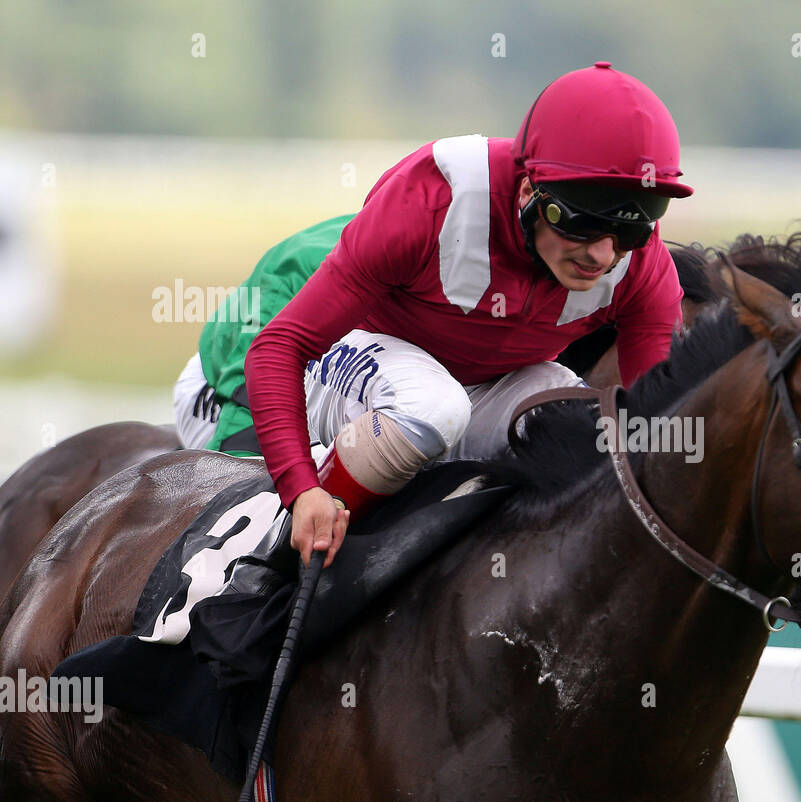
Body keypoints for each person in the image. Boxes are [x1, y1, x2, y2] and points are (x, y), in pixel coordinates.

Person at [172, 61, 692, 568]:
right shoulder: (428, 204)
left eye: (629, 231)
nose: (603, 257)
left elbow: (656, 427)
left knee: (569, 416)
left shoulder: (642, 268)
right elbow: (277, 348)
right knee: (433, 407)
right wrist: (302, 489)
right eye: (582, 225)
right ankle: (278, 563)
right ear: (530, 192)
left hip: (456, 388)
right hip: (304, 371)